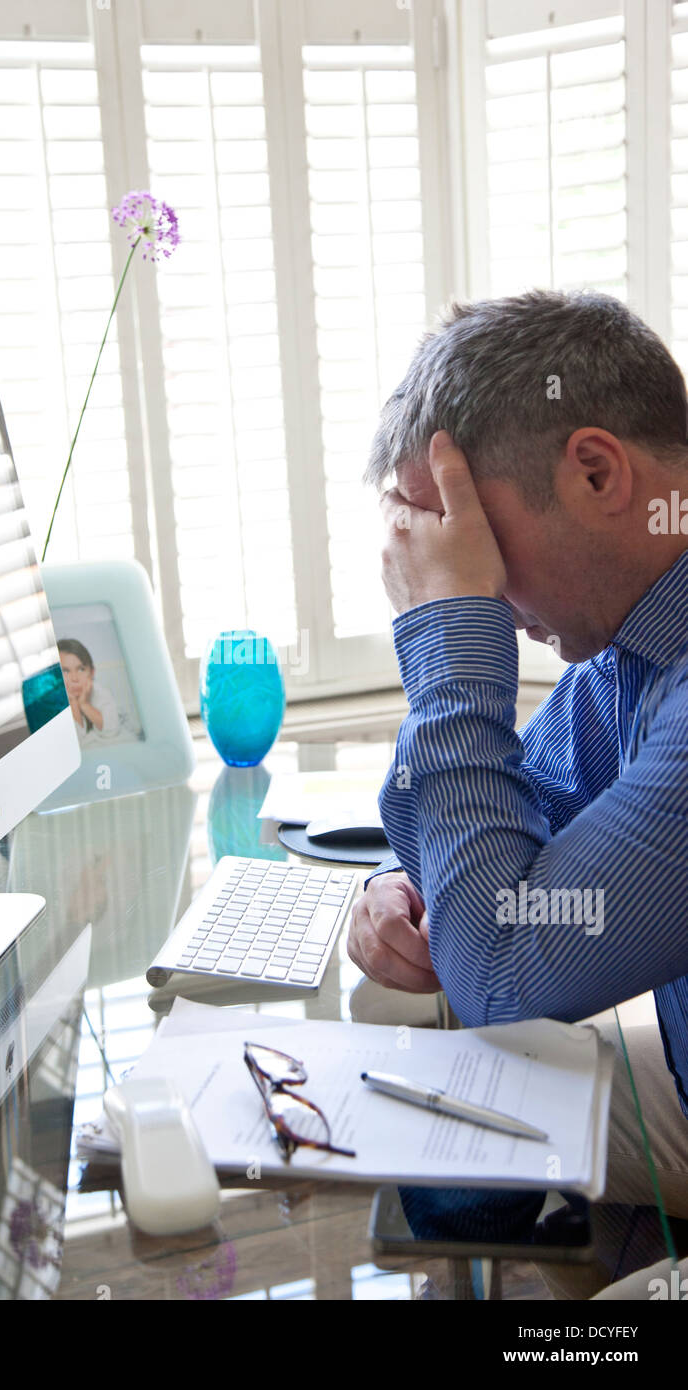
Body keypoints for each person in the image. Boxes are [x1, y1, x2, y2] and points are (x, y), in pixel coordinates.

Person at [347, 289, 688, 1294]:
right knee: (425, 1124)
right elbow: (496, 818)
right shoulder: (636, 642)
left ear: (594, 471)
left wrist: (449, 635)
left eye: (477, 545)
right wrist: (390, 888)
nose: (472, 580)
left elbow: (496, 961)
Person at [57, 638, 120, 746]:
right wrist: (73, 702)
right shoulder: (56, 701)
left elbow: (112, 730)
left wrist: (84, 704)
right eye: (65, 671)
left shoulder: (100, 692)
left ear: (92, 673)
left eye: (81, 669)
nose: (74, 678)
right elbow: (77, 741)